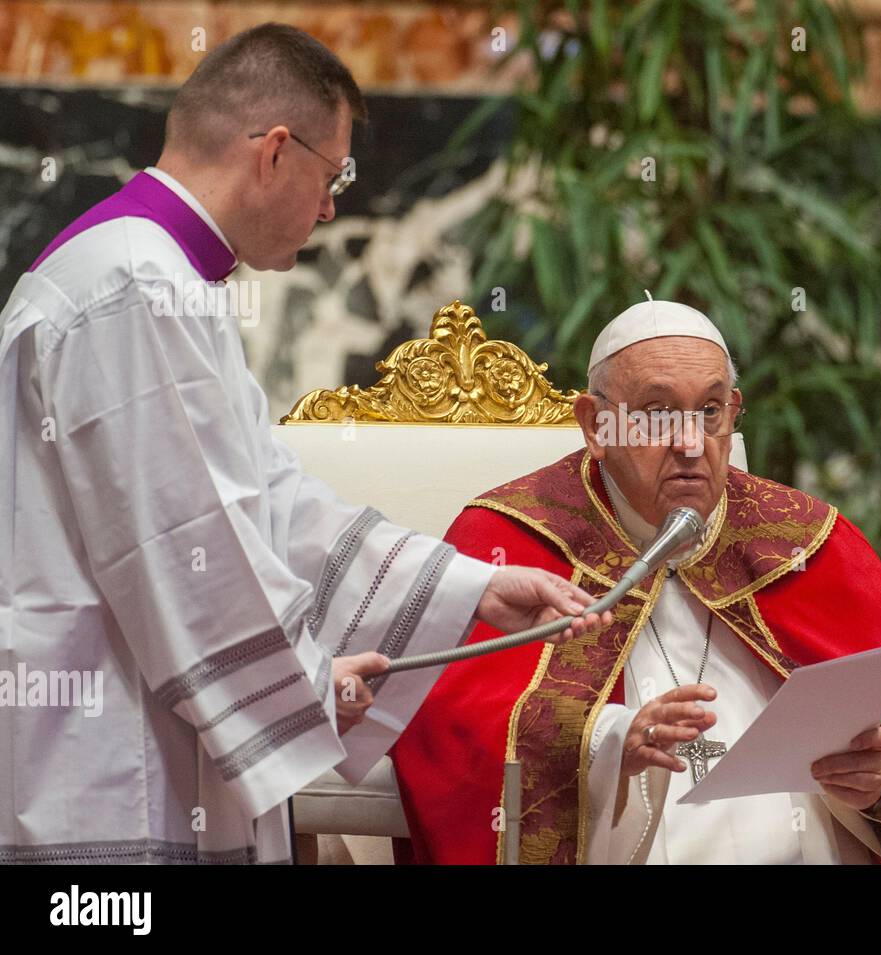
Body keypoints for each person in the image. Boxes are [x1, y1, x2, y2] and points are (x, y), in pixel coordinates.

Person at [0, 23, 609, 865]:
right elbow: (184, 541)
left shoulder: (155, 275)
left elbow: (271, 496)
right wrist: (304, 684)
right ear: (275, 152)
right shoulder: (137, 286)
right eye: (333, 176)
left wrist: (472, 587)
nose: (330, 208)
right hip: (110, 752)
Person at [391, 298, 881, 864]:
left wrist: (878, 787)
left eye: (709, 412)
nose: (690, 443)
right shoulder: (512, 538)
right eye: (655, 413)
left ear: (734, 414)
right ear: (595, 424)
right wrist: (608, 743)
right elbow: (449, 738)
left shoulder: (806, 538)